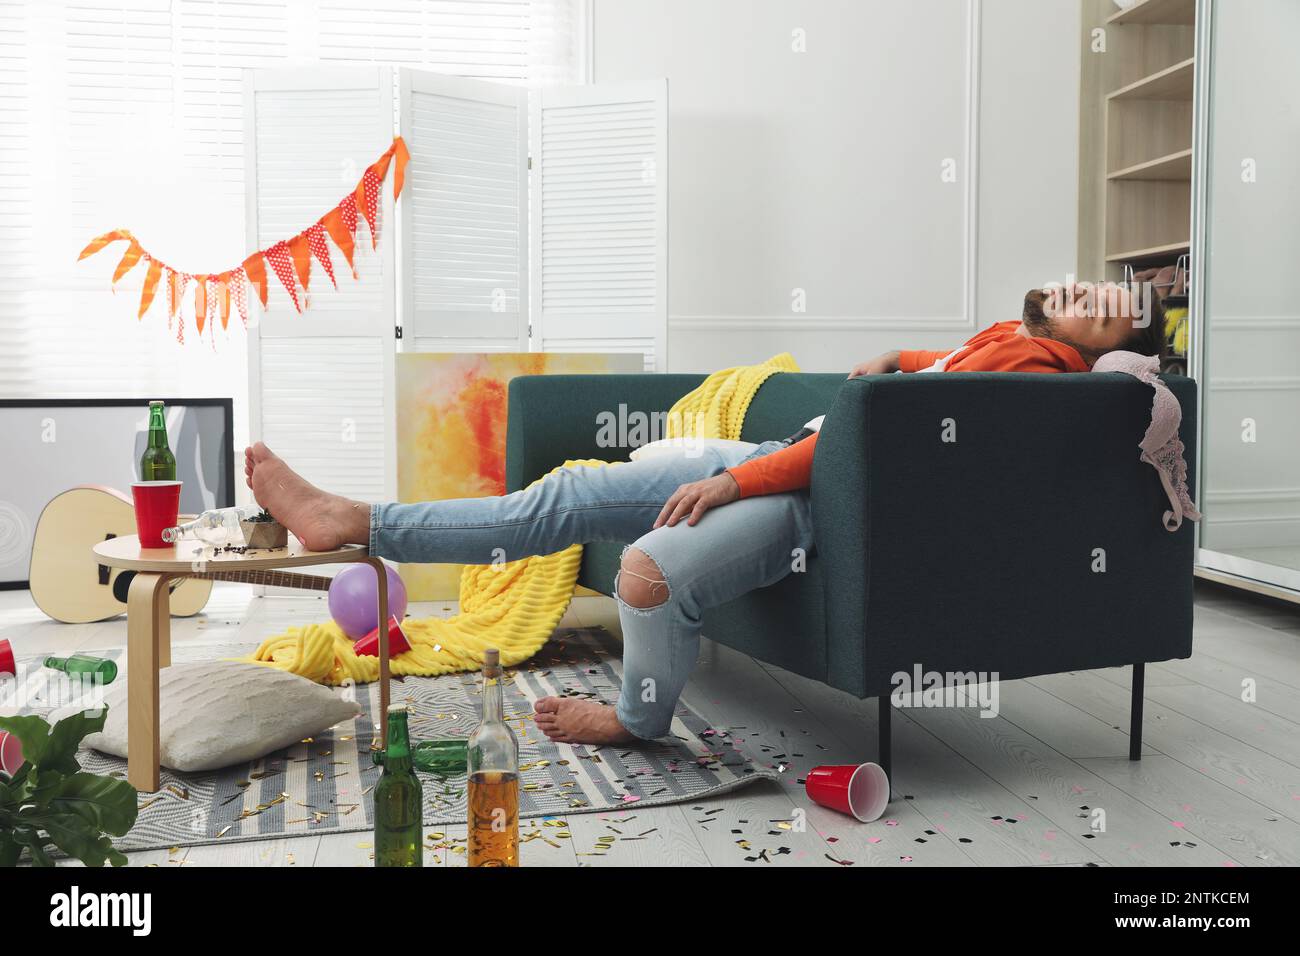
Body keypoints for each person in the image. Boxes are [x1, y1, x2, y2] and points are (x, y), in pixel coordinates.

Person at [245, 282, 1165, 746]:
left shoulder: (1042, 372)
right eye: (1092, 283)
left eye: (1114, 310)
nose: (1091, 295)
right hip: (797, 465)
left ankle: (639, 722)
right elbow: (932, 372)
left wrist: (739, 482)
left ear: (1112, 348)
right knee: (565, 494)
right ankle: (351, 520)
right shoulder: (1011, 340)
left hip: (820, 497)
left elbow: (871, 446)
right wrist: (896, 355)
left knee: (644, 570)